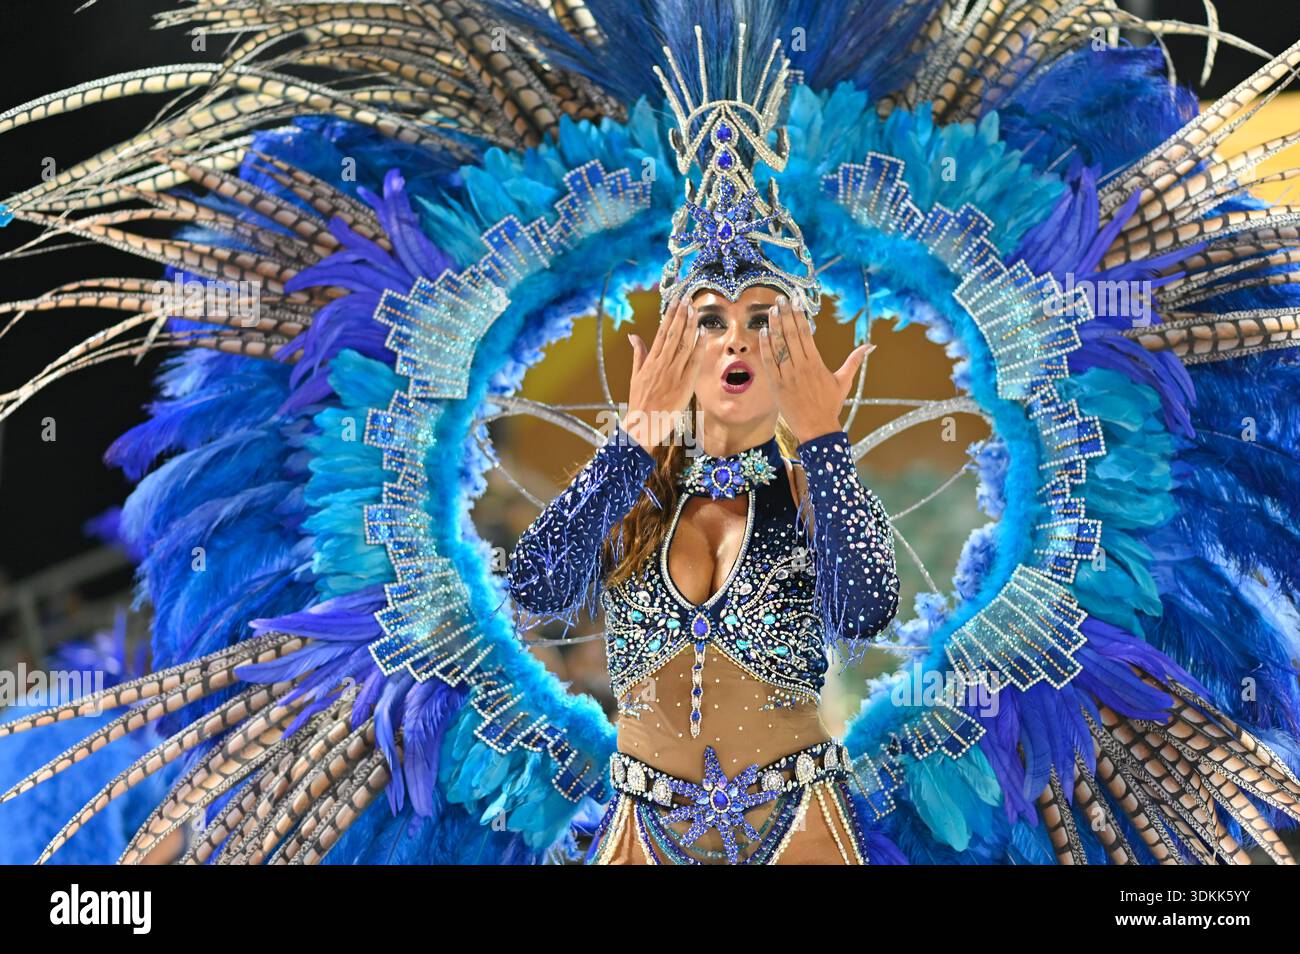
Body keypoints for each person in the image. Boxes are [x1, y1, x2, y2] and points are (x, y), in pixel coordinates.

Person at [507, 275, 901, 863]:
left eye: (762, 321)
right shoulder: (631, 497)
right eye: (712, 321)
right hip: (643, 834)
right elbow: (535, 584)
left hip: (801, 828)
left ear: (796, 353)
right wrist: (635, 438)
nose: (736, 341)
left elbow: (867, 610)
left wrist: (823, 439)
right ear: (679, 349)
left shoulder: (813, 492)